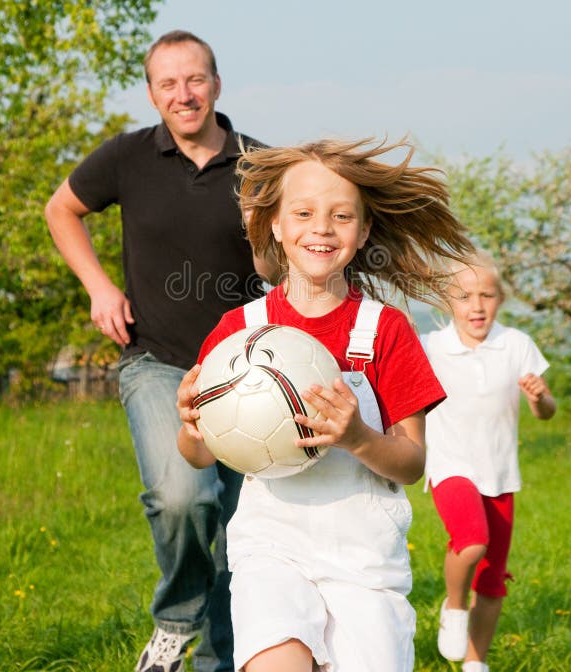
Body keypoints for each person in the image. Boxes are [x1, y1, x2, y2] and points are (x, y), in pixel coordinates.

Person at [176, 136, 475, 672]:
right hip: (272, 548)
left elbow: (412, 464)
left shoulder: (385, 330)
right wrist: (193, 426)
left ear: (361, 233)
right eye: (304, 212)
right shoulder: (237, 333)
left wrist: (358, 438)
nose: (321, 227)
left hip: (364, 563)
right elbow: (199, 457)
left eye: (341, 216)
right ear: (275, 225)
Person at [44, 30, 279, 672]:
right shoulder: (127, 157)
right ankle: (176, 621)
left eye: (195, 79)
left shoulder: (262, 163)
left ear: (217, 85)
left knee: (238, 533)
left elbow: (294, 253)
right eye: (168, 84)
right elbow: (60, 209)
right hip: (156, 360)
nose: (184, 94)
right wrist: (99, 287)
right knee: (185, 498)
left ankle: (222, 660)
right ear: (152, 94)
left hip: (249, 372)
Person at [421, 250, 557, 672]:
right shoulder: (431, 347)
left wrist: (539, 397)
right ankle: (455, 605)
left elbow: (548, 409)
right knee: (471, 540)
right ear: (448, 303)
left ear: (500, 299)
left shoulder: (516, 344)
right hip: (450, 466)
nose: (476, 305)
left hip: (499, 473)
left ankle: (476, 663)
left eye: (487, 295)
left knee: (494, 579)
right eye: (464, 296)